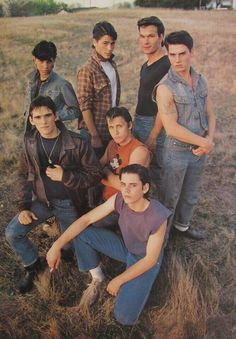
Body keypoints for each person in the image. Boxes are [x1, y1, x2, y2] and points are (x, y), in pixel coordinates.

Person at [47, 164, 171, 326]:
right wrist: (56, 245)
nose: (126, 190)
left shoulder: (158, 215)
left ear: (145, 187)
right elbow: (86, 220)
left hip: (144, 258)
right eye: (123, 184)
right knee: (82, 233)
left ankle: (135, 289)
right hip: (126, 247)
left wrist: (118, 280)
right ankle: (97, 277)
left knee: (123, 318)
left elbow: (150, 259)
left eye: (133, 185)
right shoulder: (120, 198)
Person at [5, 96, 102, 294]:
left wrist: (65, 176)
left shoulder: (77, 142)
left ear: (56, 116)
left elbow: (95, 175)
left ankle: (67, 253)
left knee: (74, 248)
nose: (43, 122)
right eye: (38, 117)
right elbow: (23, 175)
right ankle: (33, 266)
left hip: (69, 203)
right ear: (31, 119)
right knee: (12, 233)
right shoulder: (29, 141)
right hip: (42, 201)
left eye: (48, 115)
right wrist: (23, 207)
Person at [151, 31, 216, 240]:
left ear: (191, 52)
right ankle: (162, 241)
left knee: (190, 195)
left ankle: (182, 227)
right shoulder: (164, 87)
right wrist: (204, 142)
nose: (177, 60)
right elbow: (171, 128)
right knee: (169, 198)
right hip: (176, 152)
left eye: (182, 53)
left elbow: (211, 114)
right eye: (172, 55)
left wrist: (209, 141)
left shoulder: (200, 80)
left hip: (199, 150)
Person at [77, 21, 121, 158]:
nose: (109, 48)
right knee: (92, 173)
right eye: (105, 43)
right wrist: (94, 135)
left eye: (112, 43)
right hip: (93, 134)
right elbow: (85, 106)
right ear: (94, 42)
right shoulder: (87, 70)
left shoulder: (112, 64)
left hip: (110, 130)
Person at [24, 40, 81, 129]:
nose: (45, 66)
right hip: (31, 132)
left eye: (49, 61)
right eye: (41, 61)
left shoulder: (62, 84)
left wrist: (57, 115)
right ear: (34, 60)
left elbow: (76, 110)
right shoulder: (30, 80)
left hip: (52, 133)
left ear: (54, 61)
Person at [133, 16, 170, 147]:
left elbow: (166, 106)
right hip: (138, 120)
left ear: (161, 37)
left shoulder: (167, 65)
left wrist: (153, 136)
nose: (145, 41)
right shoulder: (145, 65)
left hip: (154, 125)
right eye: (142, 36)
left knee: (155, 165)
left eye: (151, 36)